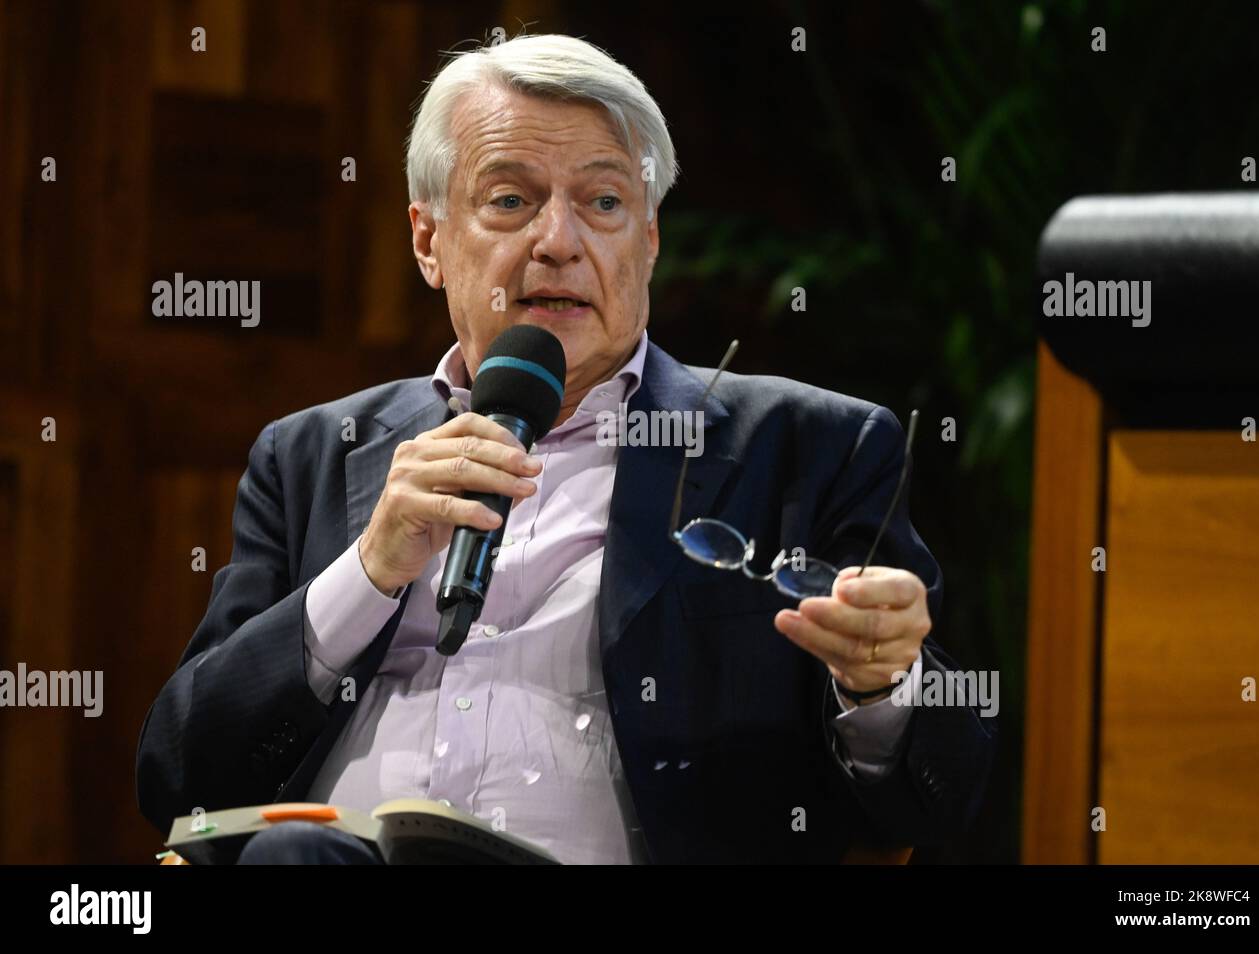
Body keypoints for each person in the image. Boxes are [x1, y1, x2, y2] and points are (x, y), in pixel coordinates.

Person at [136, 33, 995, 864]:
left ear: (649, 239)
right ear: (428, 239)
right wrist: (368, 570)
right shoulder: (311, 456)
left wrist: (882, 684)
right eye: (510, 200)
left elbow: (943, 797)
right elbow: (177, 777)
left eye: (604, 203)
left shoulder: (813, 449)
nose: (558, 240)